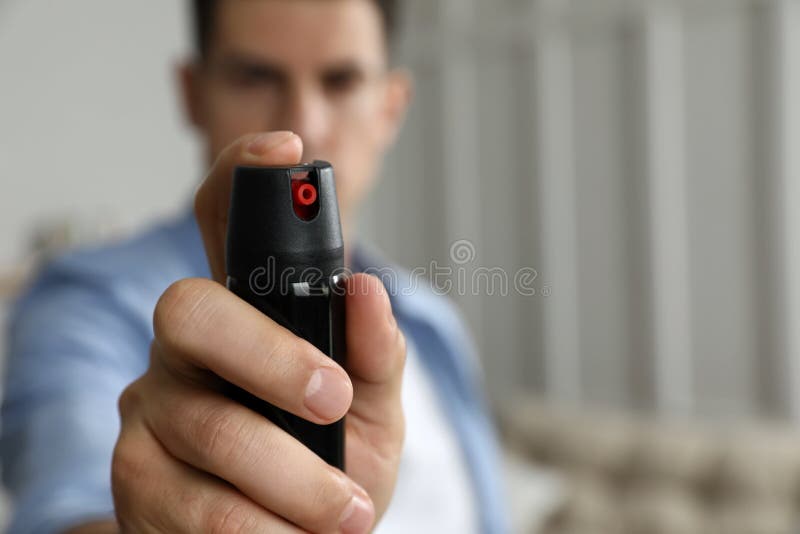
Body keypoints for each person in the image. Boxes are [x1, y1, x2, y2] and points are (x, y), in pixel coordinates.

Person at [1, 0, 510, 532]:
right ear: (192, 94)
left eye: (340, 81)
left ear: (390, 108)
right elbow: (65, 503)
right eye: (255, 77)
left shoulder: (433, 323)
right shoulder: (84, 303)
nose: (303, 122)